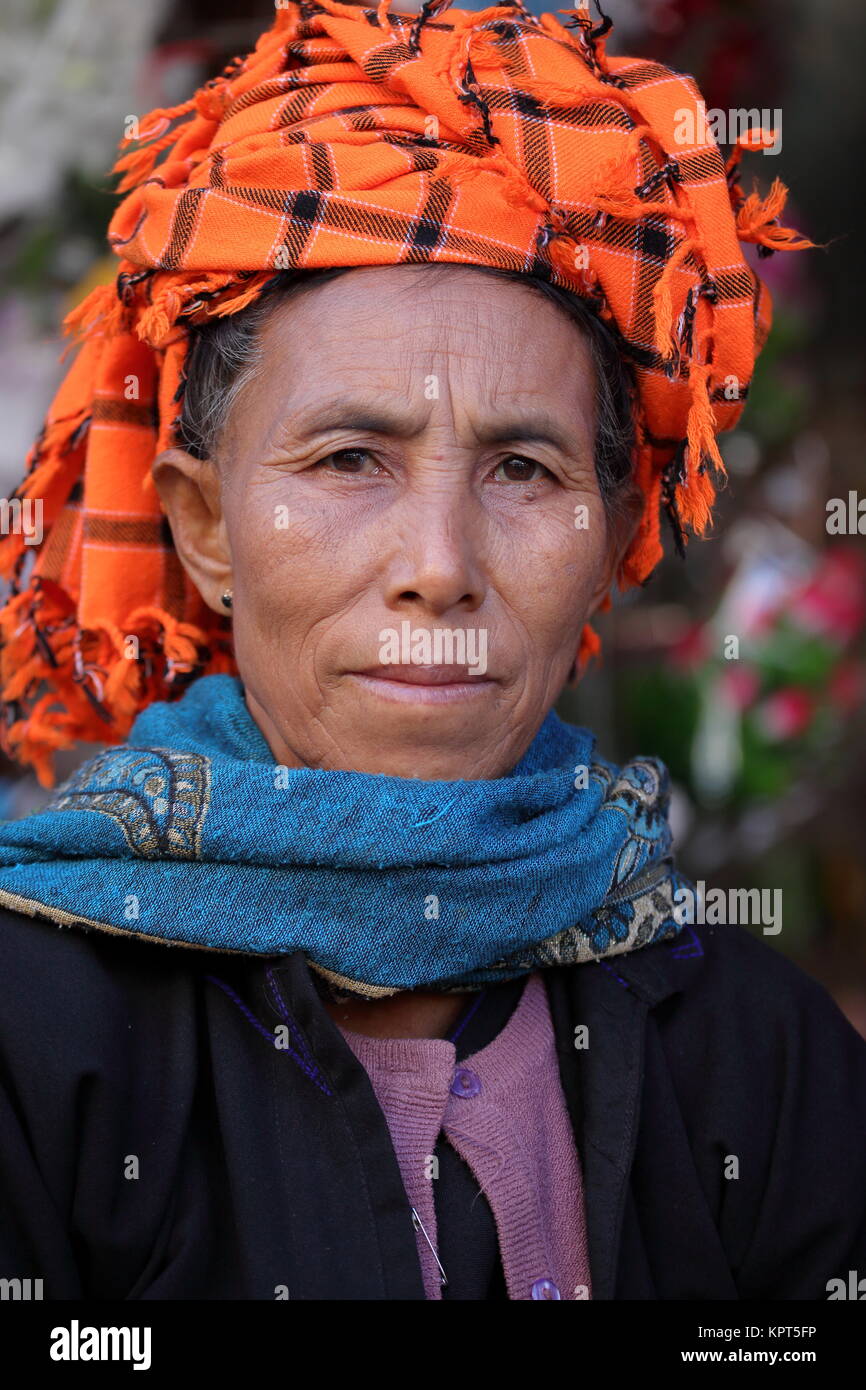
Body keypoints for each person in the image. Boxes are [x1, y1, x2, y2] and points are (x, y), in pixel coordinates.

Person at [0, 0, 863, 1301]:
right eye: (350, 459)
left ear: (611, 538)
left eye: (523, 467)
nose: (442, 563)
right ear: (202, 527)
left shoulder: (757, 1050)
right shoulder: (29, 1030)